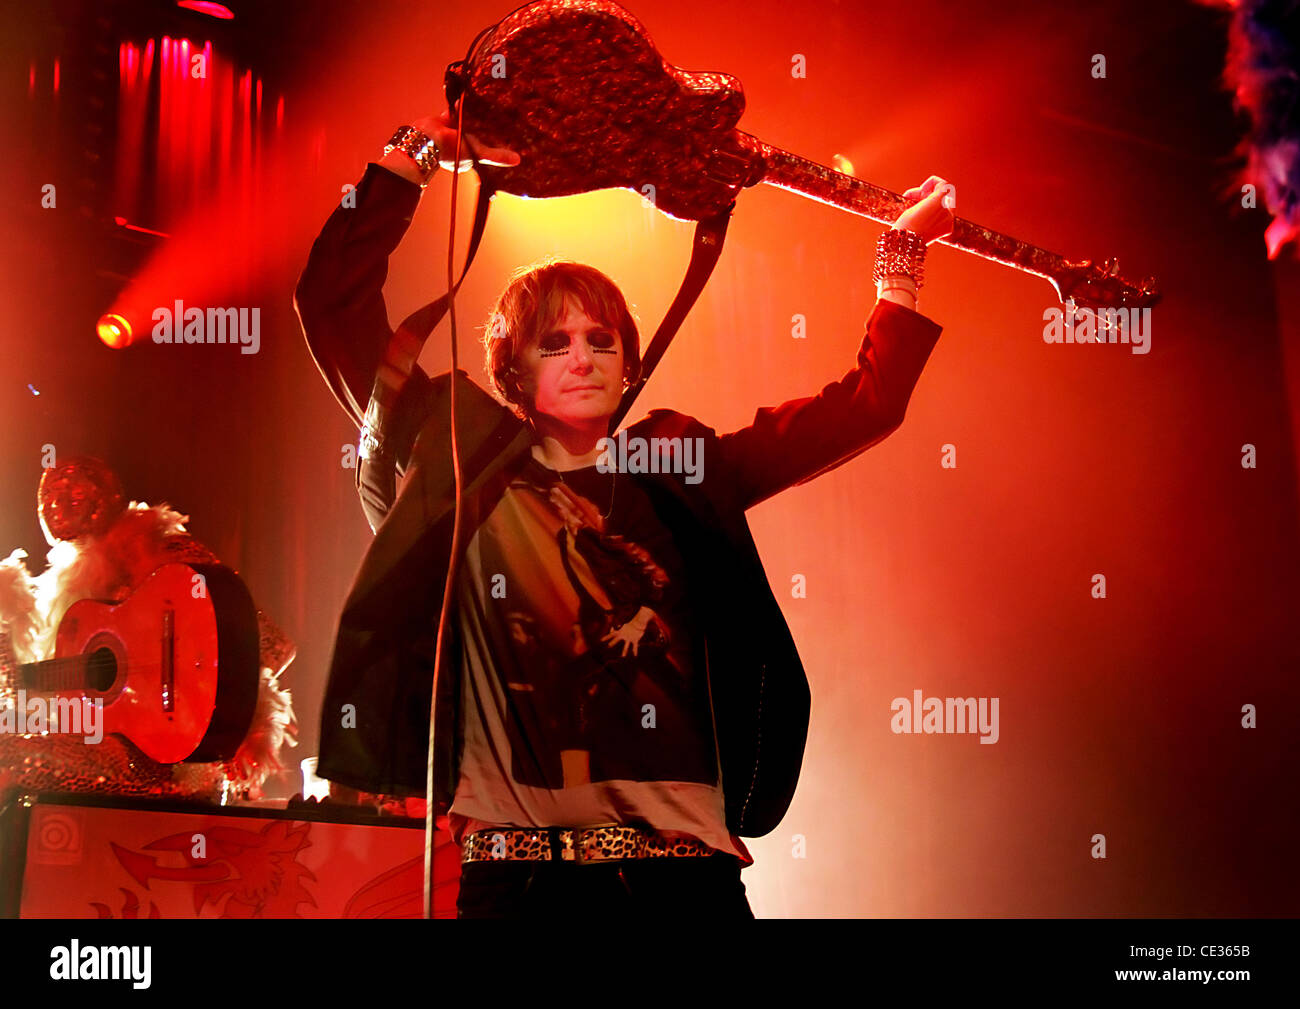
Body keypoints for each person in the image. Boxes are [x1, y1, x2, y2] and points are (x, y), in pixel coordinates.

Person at [295, 110, 952, 918]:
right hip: (519, 886)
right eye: (553, 340)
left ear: (628, 360)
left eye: (600, 339)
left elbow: (865, 407)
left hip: (683, 888)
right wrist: (417, 154)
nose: (582, 355)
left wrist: (901, 256)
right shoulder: (454, 457)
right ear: (511, 366)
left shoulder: (682, 467)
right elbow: (330, 304)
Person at [0, 456, 298, 801]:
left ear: (108, 495)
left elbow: (273, 645)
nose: (57, 505)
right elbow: (68, 701)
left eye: (74, 492)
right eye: (48, 496)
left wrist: (191, 702)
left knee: (5, 749)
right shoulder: (66, 595)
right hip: (107, 744)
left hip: (170, 763)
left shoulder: (154, 547)